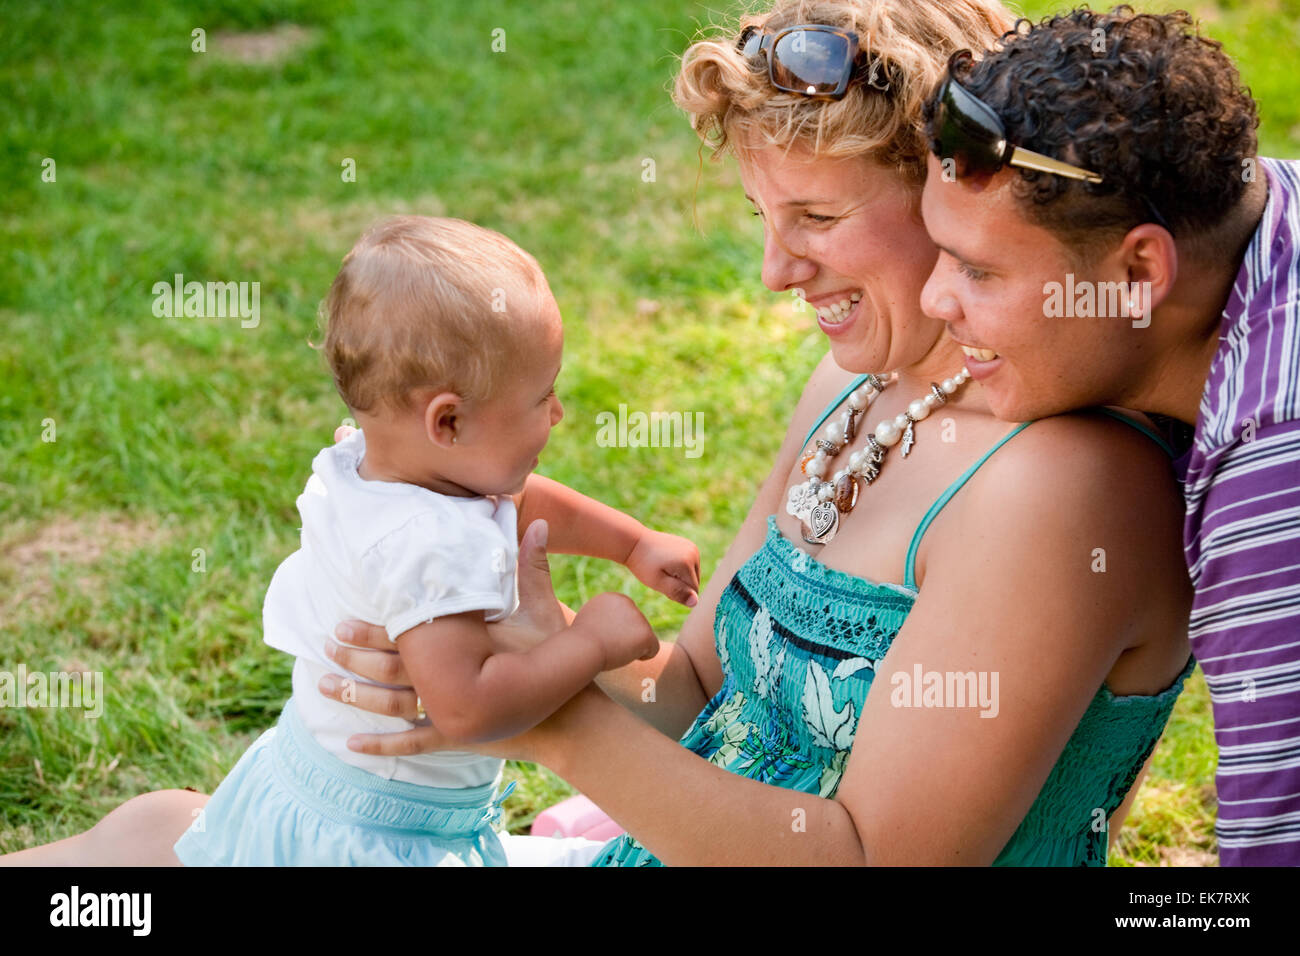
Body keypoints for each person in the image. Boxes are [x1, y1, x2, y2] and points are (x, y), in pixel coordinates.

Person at [0, 0, 1192, 868]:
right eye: (762, 216)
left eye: (819, 216)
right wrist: (516, 649)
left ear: (955, 190)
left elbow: (866, 859)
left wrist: (540, 714)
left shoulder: (1064, 487)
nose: (778, 270)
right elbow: (693, 693)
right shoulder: (855, 391)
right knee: (163, 831)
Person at [170, 215, 698, 866]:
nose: (558, 413)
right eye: (543, 397)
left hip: (314, 775)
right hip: (380, 841)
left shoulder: (381, 465)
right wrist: (590, 644)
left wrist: (633, 543)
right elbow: (469, 710)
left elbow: (520, 501)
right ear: (446, 421)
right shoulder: (426, 548)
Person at [916, 6, 1300, 866]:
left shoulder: (1277, 472)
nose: (934, 301)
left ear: (1138, 274)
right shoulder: (1264, 204)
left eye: (979, 269)